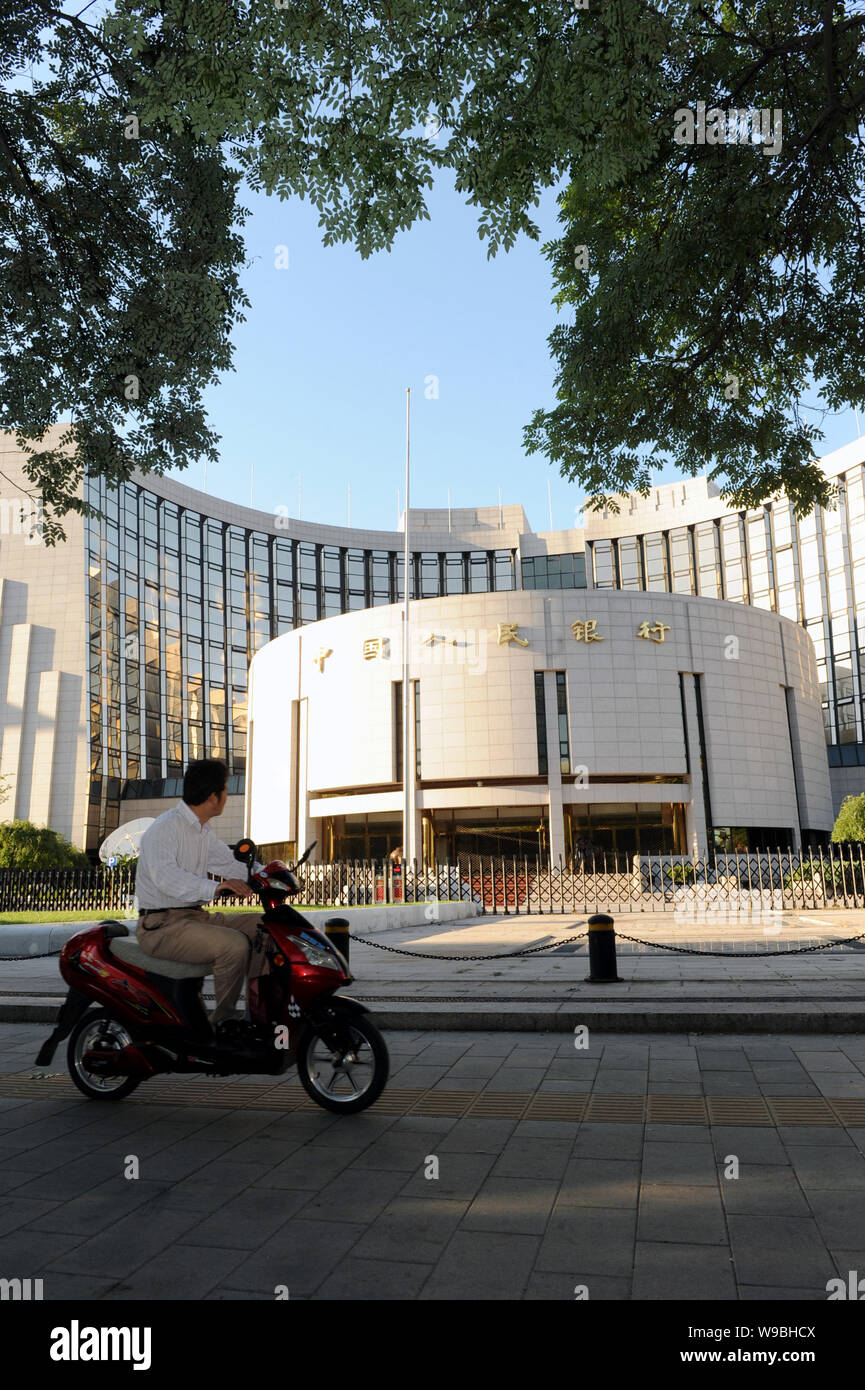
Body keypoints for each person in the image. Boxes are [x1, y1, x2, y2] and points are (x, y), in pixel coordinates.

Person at [134, 758, 264, 1029]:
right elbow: (165, 877)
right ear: (213, 797)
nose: (227, 796)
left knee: (265, 926)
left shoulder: (202, 830)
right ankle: (223, 1021)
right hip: (161, 926)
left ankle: (261, 1012)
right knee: (234, 945)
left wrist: (270, 876)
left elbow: (230, 863)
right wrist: (214, 888)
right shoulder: (164, 828)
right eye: (226, 789)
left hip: (194, 919)